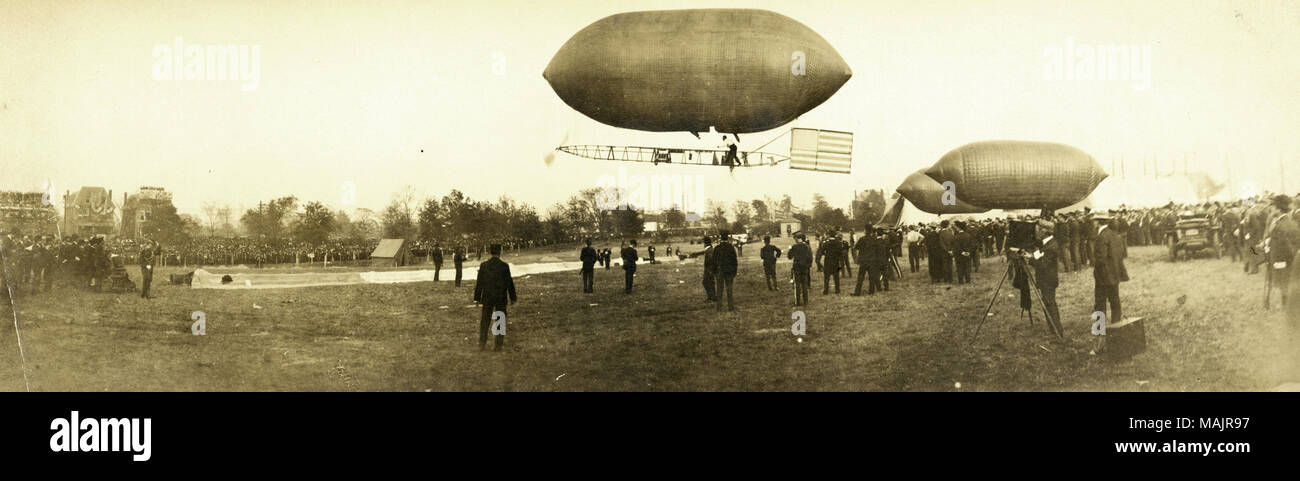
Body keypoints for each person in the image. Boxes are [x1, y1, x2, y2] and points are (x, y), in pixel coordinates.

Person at [472, 244, 517, 352]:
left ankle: (482, 344)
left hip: (487, 297)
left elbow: (479, 283)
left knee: (485, 320)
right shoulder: (504, 266)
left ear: (490, 252)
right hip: (500, 297)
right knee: (500, 319)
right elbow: (509, 283)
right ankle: (498, 345)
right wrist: (513, 297)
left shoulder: (484, 265)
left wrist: (477, 298)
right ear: (499, 252)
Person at [1092, 211, 1129, 328]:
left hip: (1103, 275)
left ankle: (1099, 329)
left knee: (1100, 303)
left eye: (1094, 220)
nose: (1093, 223)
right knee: (1115, 301)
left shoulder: (1101, 236)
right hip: (1115, 273)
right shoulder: (1114, 234)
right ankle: (1116, 327)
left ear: (1097, 222)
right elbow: (1121, 254)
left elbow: (1100, 259)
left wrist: (1098, 272)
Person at [1025, 219, 1061, 329]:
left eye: (1037, 230)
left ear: (1044, 231)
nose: (1035, 232)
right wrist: (1032, 255)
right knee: (1047, 303)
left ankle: (1057, 331)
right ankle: (1053, 329)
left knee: (1050, 304)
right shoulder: (1047, 243)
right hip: (1046, 280)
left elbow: (1043, 264)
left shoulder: (1051, 246)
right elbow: (1041, 256)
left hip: (1048, 280)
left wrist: (1030, 259)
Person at [713, 231, 738, 311]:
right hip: (729, 271)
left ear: (721, 238)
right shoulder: (731, 248)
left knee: (719, 290)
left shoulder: (717, 248)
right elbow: (735, 261)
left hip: (720, 271)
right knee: (729, 289)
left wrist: (714, 272)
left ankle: (719, 307)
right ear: (727, 238)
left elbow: (713, 261)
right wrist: (734, 271)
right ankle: (731, 307)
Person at [787, 233, 813, 306]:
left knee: (797, 284)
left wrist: (789, 249)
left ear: (797, 238)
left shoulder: (794, 247)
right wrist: (808, 265)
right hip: (804, 267)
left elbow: (789, 256)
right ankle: (806, 301)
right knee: (804, 284)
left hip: (797, 267)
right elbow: (810, 258)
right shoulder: (807, 246)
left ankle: (797, 301)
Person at [816, 230, 843, 295]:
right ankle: (837, 290)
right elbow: (840, 252)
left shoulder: (826, 243)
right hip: (835, 261)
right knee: (836, 276)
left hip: (828, 261)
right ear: (835, 235)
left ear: (829, 235)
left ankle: (826, 290)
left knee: (827, 277)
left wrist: (825, 254)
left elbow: (821, 251)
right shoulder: (838, 242)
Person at [701, 236, 717, 302]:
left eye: (704, 242)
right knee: (710, 282)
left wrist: (710, 270)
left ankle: (711, 297)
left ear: (705, 243)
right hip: (709, 269)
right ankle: (712, 297)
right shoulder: (709, 249)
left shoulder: (709, 250)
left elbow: (710, 260)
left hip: (709, 270)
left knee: (706, 282)